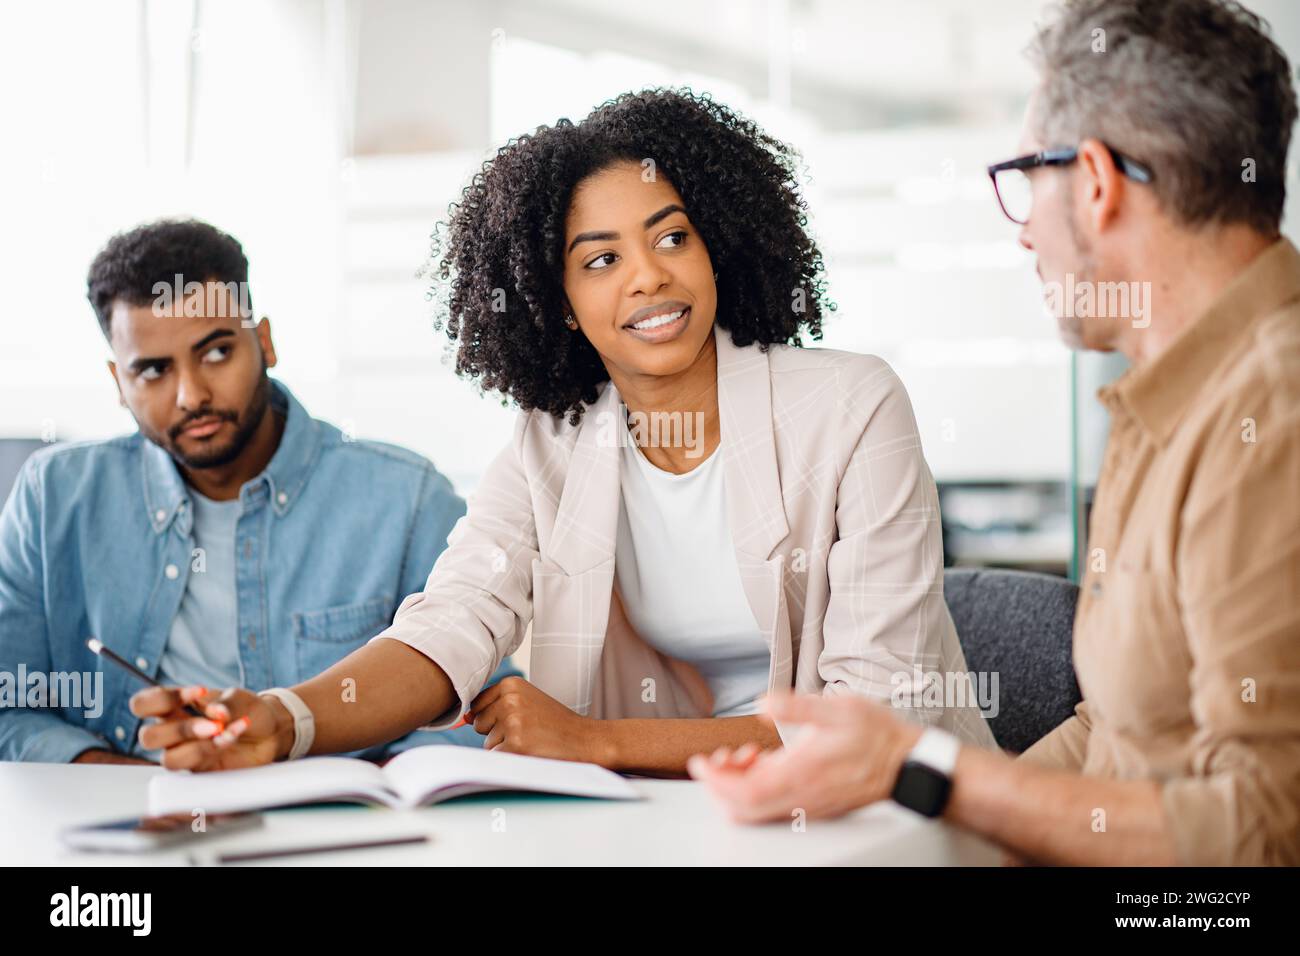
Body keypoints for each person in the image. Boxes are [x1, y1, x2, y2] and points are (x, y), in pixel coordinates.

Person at [131, 90, 995, 776]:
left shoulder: (852, 407)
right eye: (601, 259)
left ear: (718, 250)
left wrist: (599, 741)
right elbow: (452, 621)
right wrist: (285, 720)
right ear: (562, 305)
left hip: (885, 812)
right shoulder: (554, 441)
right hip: (684, 817)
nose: (649, 276)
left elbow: (875, 715)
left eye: (672, 237)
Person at [689, 0, 1300, 866]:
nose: (1021, 233)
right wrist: (920, 819)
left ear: (1094, 181)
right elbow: (1117, 737)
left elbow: (1266, 832)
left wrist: (924, 768)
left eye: (1024, 177)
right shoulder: (1160, 400)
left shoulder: (1273, 418)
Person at [0, 219, 517, 764]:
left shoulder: (405, 499)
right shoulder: (51, 497)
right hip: (130, 832)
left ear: (264, 341)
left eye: (217, 352)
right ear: (118, 383)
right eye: (153, 370)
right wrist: (124, 780)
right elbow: (10, 703)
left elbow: (480, 710)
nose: (191, 396)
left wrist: (351, 789)